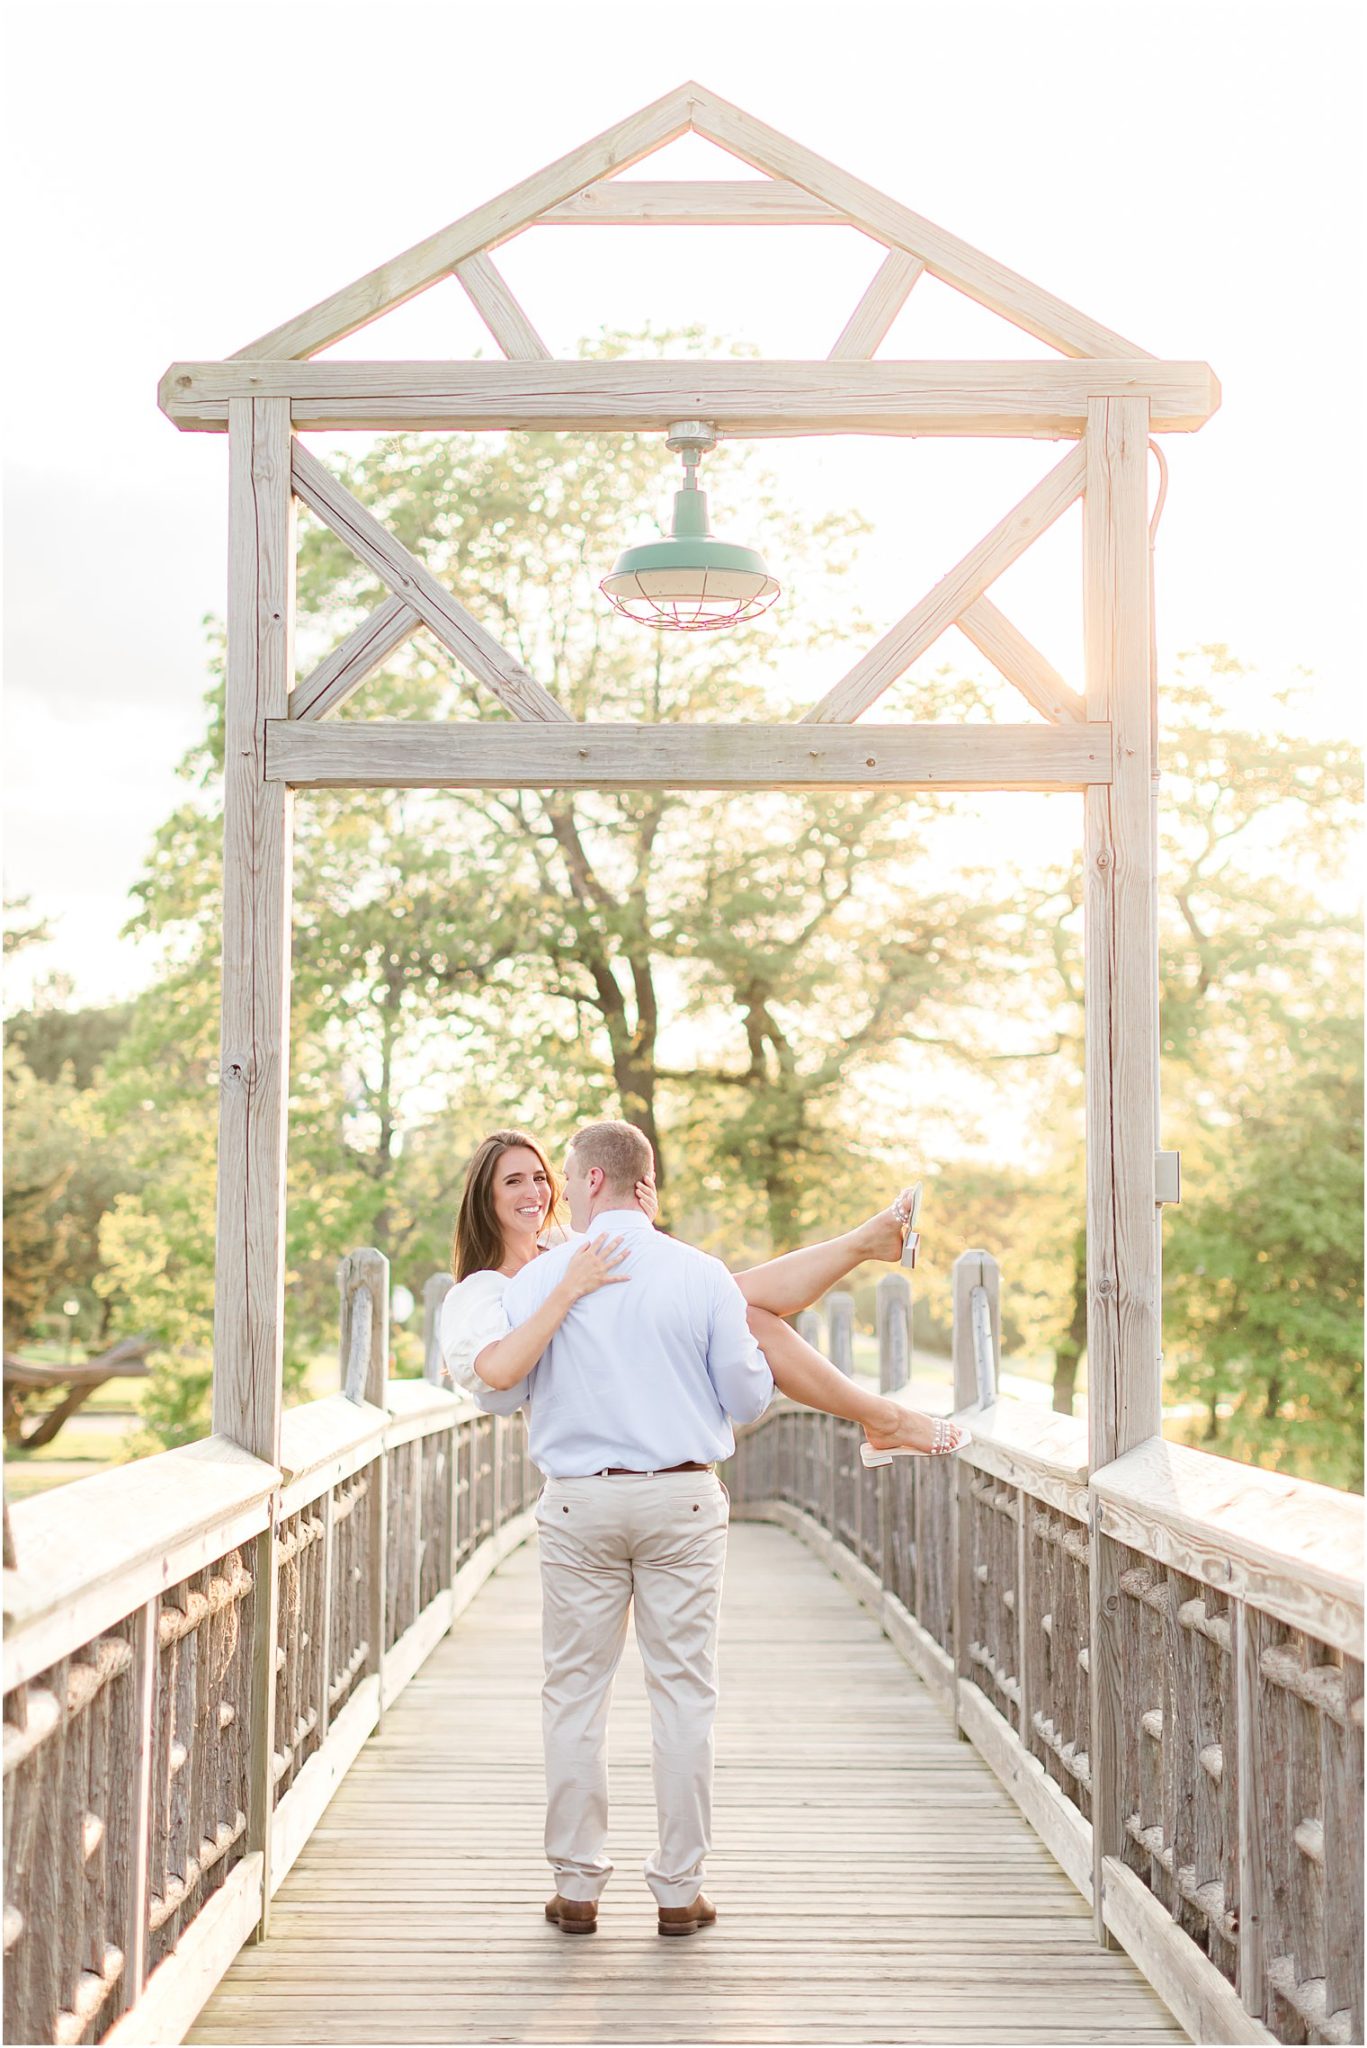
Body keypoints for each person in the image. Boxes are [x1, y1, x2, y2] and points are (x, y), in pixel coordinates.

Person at [440, 1122, 968, 1935]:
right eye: (513, 1183)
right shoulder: (519, 1287)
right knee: (683, 1696)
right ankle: (678, 1892)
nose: (534, 1193)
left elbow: (507, 1400)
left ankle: (577, 1887)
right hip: (681, 1497)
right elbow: (740, 1388)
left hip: (581, 1499)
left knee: (574, 1699)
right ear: (639, 1185)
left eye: (541, 1178)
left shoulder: (551, 1270)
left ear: (580, 1184)